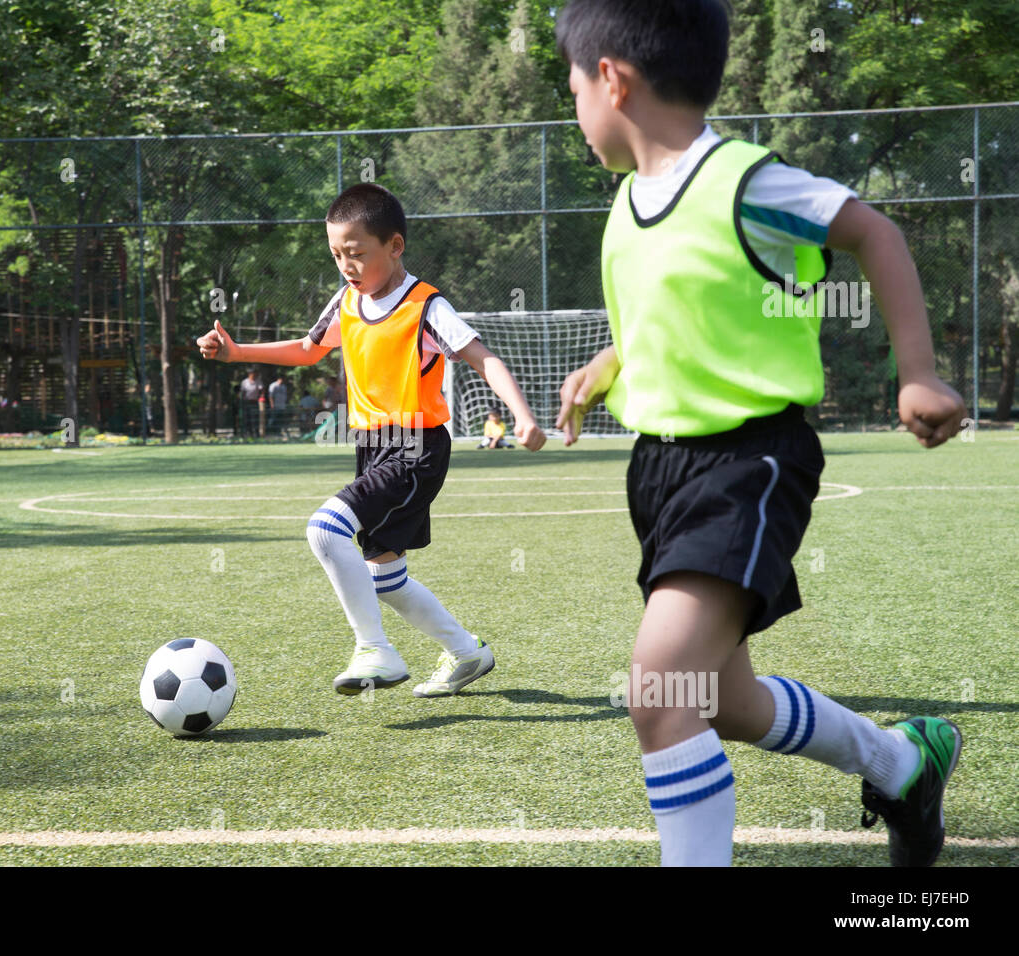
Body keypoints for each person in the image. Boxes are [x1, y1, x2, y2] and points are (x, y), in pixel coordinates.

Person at [553, 0, 966, 867]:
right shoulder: (628, 203)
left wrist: (918, 372)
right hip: (659, 471)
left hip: (748, 462)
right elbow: (672, 317)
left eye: (573, 86)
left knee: (661, 692)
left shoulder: (745, 181)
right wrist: (608, 366)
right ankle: (903, 763)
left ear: (613, 79)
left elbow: (872, 232)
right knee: (718, 701)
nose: (575, 108)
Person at [199, 182, 546, 696]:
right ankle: (465, 651)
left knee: (324, 529)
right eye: (337, 254)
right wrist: (236, 352)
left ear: (395, 246)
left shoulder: (426, 306)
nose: (346, 265)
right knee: (384, 574)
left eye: (357, 253)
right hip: (372, 448)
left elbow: (483, 357)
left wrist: (522, 416)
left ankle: (375, 650)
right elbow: (307, 349)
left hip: (416, 447)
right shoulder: (346, 301)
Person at [238, 368, 263, 437]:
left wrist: (261, 398)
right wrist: (241, 400)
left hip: (254, 402)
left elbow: (261, 391)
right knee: (247, 418)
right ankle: (248, 433)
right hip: (247, 402)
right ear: (250, 374)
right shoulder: (244, 382)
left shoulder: (258, 381)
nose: (254, 375)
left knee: (255, 418)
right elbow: (242, 392)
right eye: (253, 374)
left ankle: (256, 433)